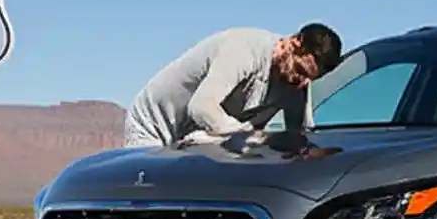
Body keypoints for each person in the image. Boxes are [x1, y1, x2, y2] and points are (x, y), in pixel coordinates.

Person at [122, 23, 342, 148]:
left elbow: (299, 135)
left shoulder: (296, 82)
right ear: (294, 43)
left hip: (196, 135)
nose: (302, 83)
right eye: (301, 71)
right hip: (154, 126)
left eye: (310, 79)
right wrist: (249, 134)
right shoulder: (243, 49)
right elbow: (201, 107)